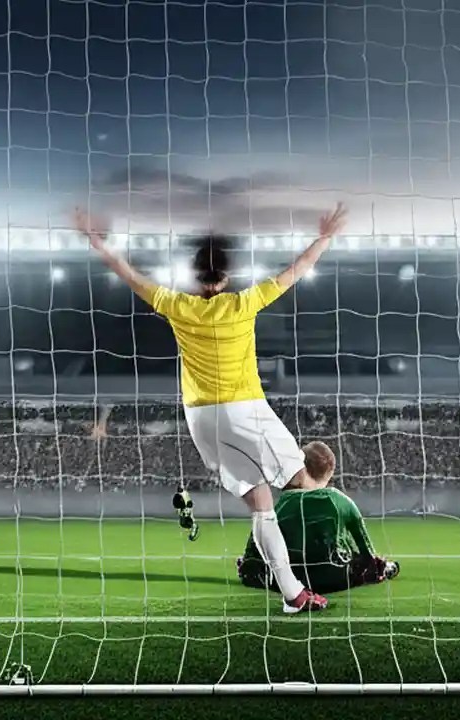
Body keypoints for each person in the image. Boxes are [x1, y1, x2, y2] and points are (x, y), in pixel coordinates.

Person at [75, 203, 349, 614]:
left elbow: (129, 275)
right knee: (307, 483)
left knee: (261, 506)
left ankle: (292, 593)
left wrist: (97, 243)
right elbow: (295, 271)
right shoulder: (243, 303)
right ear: (227, 276)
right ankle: (344, 564)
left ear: (195, 277)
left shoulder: (177, 306)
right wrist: (325, 236)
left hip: (202, 420)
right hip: (244, 409)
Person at [237, 441, 399, 594]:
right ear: (330, 473)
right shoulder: (340, 500)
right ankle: (386, 568)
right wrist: (372, 564)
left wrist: (248, 563)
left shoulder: (283, 502)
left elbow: (257, 541)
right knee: (362, 561)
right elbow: (366, 549)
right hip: (336, 578)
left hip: (290, 579)